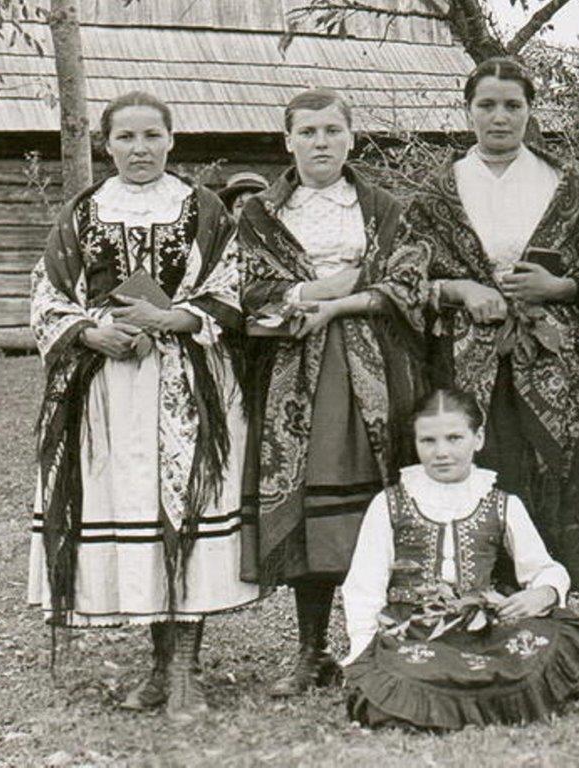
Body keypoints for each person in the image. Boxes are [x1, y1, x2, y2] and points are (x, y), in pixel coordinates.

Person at [27, 91, 258, 721]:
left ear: (171, 141)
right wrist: (88, 332)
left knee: (186, 511)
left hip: (189, 385)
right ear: (106, 144)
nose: (139, 149)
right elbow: (47, 294)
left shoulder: (205, 210)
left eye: (151, 136)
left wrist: (171, 316)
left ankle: (186, 670)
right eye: (125, 138)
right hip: (107, 390)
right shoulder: (83, 211)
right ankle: (158, 667)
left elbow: (230, 291)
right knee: (134, 513)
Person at [397, 56, 579, 590]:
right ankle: (485, 607)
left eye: (513, 105)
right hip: (468, 365)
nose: (500, 117)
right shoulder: (438, 192)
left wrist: (560, 288)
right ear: (468, 112)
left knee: (554, 482)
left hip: (557, 366)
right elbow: (404, 280)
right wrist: (461, 289)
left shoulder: (566, 186)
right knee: (487, 476)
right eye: (486, 105)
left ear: (531, 111)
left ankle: (552, 612)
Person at [238, 88, 427, 698]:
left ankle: (381, 642)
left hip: (377, 368)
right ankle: (312, 648)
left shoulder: (382, 208)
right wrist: (325, 288)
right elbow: (247, 288)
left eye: (332, 131)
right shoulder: (261, 214)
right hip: (295, 376)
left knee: (381, 503)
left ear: (351, 138)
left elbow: (406, 282)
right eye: (308, 132)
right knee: (309, 507)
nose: (321, 143)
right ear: (286, 141)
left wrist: (337, 298)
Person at [341, 388, 579, 730]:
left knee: (561, 637)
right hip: (415, 632)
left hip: (484, 628)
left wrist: (542, 593)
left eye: (455, 438)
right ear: (416, 442)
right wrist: (363, 654)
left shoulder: (501, 502)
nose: (442, 453)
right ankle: (512, 696)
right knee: (408, 673)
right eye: (428, 441)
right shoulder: (389, 503)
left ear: (478, 438)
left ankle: (483, 695)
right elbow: (364, 585)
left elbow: (544, 568)